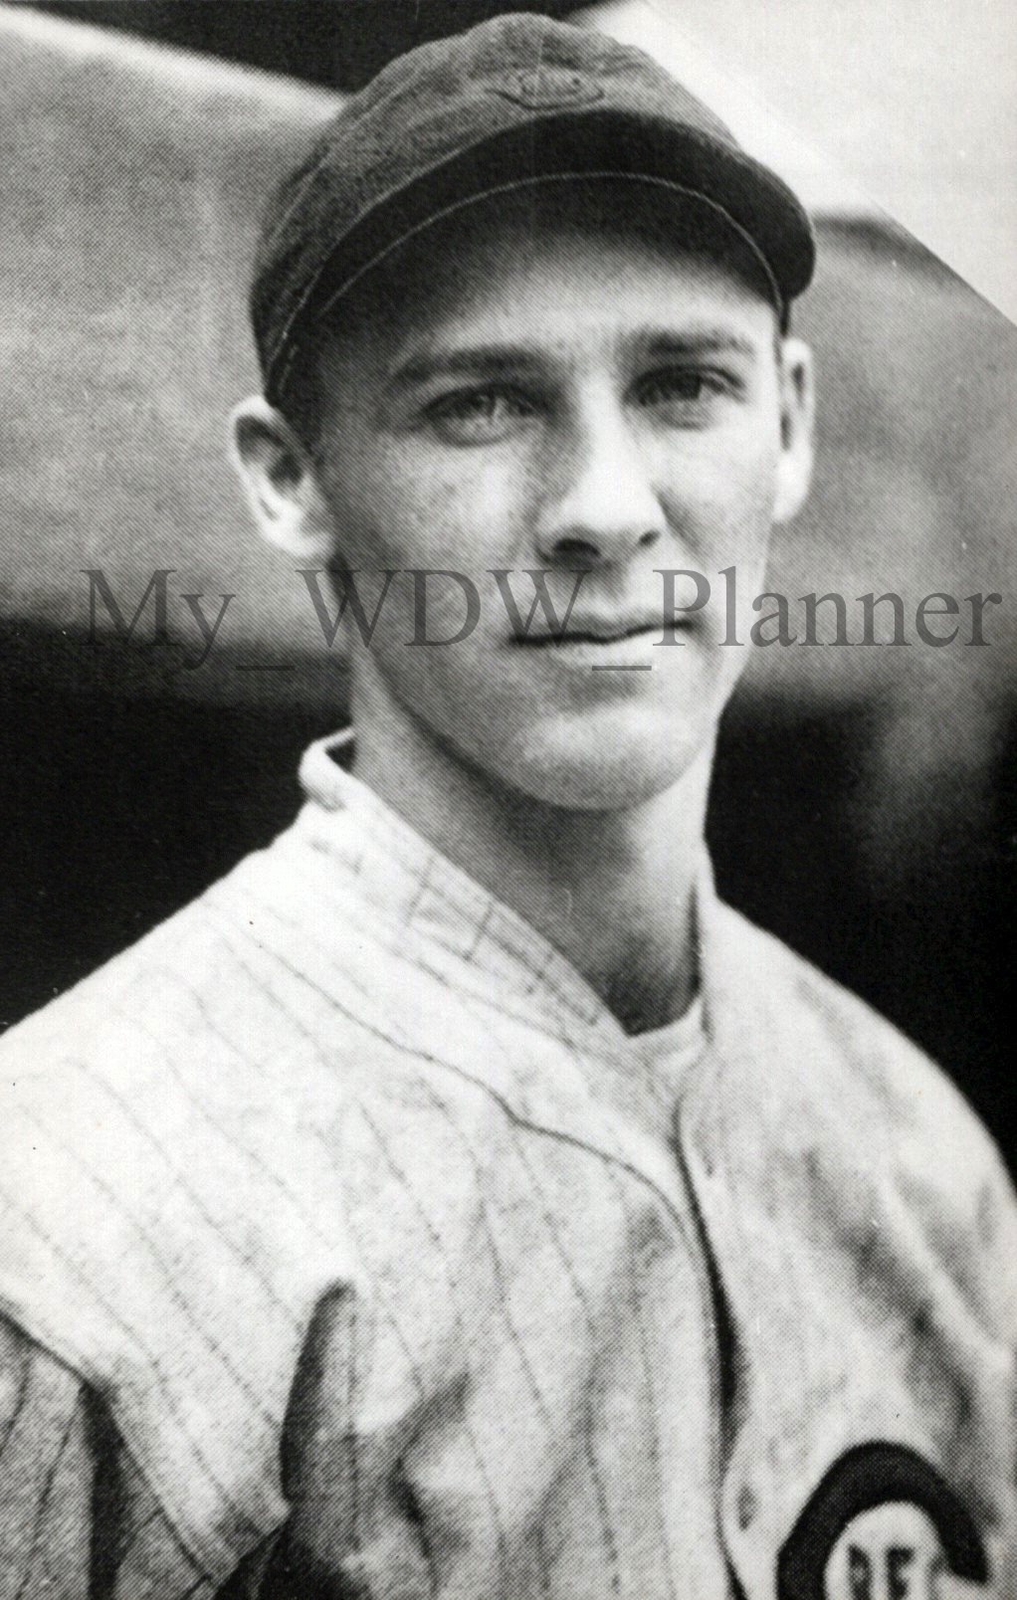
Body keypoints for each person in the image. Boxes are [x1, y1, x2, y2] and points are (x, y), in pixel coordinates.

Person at [0, 13, 1014, 1598]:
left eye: (682, 385)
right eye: (479, 402)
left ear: (792, 425)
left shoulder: (919, 1156)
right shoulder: (68, 1223)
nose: (607, 509)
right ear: (291, 480)